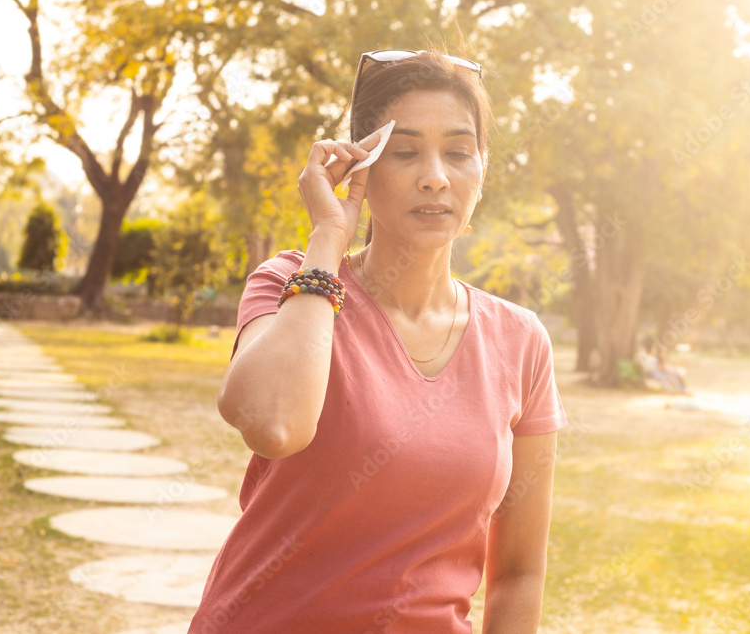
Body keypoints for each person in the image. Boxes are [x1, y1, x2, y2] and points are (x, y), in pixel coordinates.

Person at [189, 49, 568, 633]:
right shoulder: (291, 284)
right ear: (360, 167)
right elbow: (273, 424)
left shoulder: (521, 342)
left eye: (459, 152)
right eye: (405, 151)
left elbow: (519, 574)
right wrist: (328, 236)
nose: (435, 176)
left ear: (481, 171)